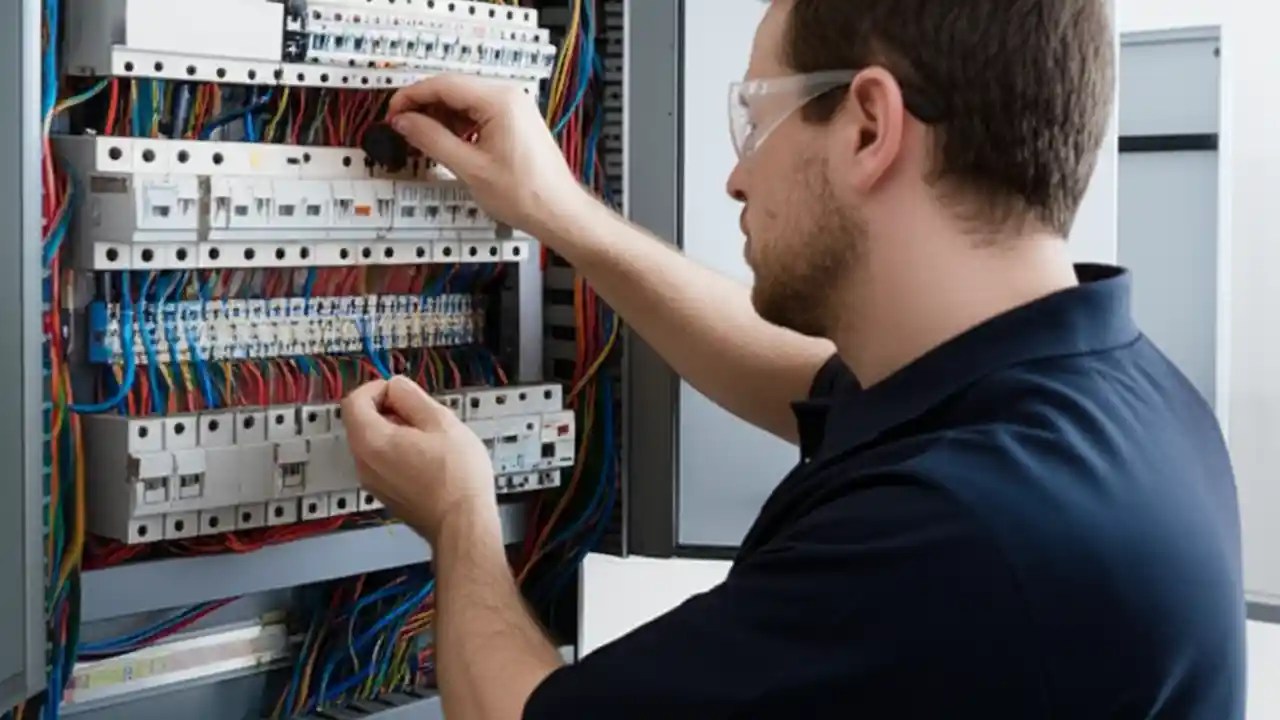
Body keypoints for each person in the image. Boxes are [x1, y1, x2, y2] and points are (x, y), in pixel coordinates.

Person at [340, 0, 1247, 717]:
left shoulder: (962, 538)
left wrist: (460, 514)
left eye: (757, 117)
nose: (737, 176)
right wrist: (558, 212)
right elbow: (796, 373)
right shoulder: (1106, 398)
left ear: (867, 127)